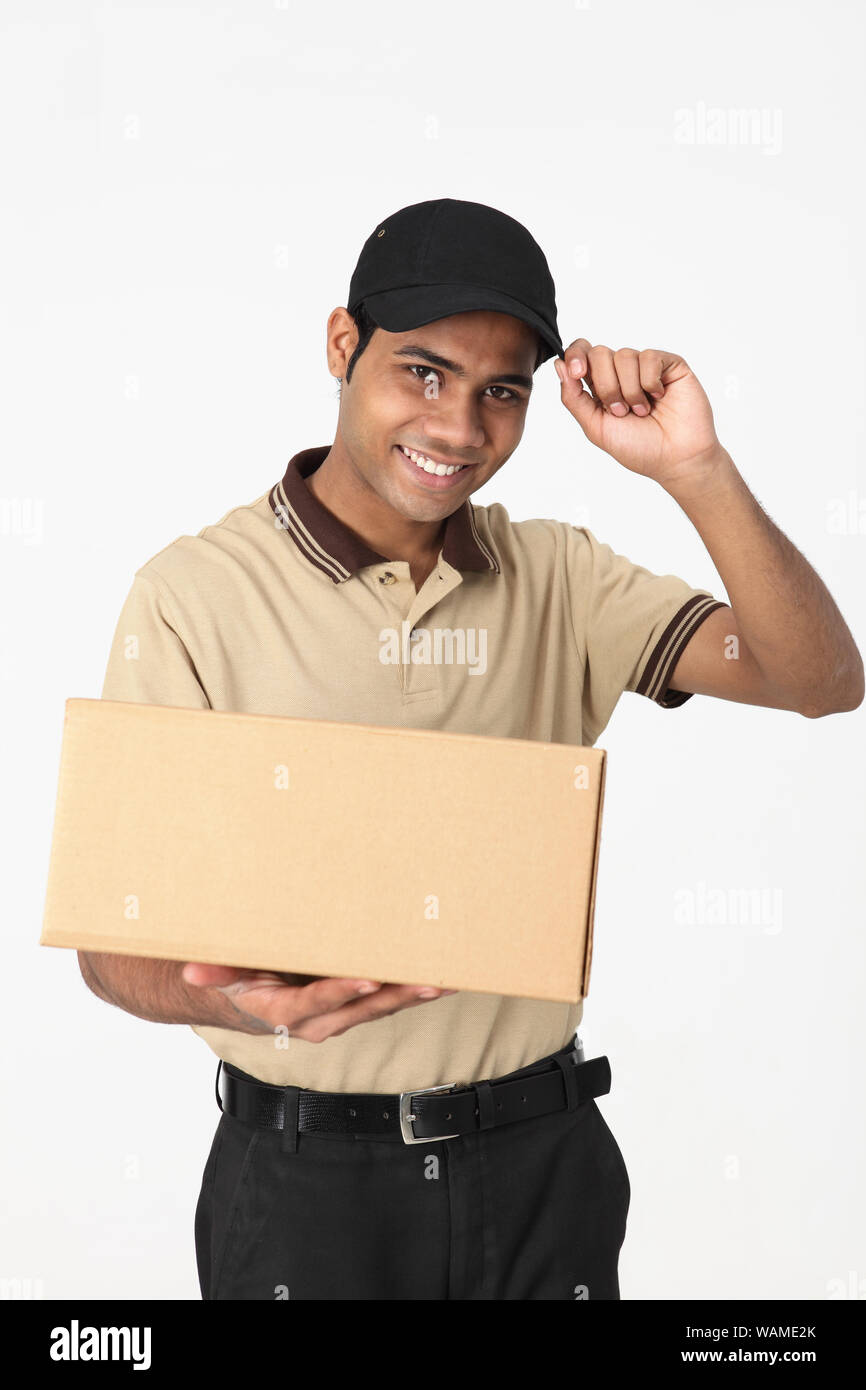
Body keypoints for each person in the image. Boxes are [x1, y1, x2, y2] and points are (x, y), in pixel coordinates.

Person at [77, 197, 863, 1301]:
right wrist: (235, 1002)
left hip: (540, 1165)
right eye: (424, 372)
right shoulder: (192, 595)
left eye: (502, 392)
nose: (457, 428)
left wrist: (695, 470)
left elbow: (819, 680)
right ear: (342, 345)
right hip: (304, 1187)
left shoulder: (560, 579)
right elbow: (111, 949)